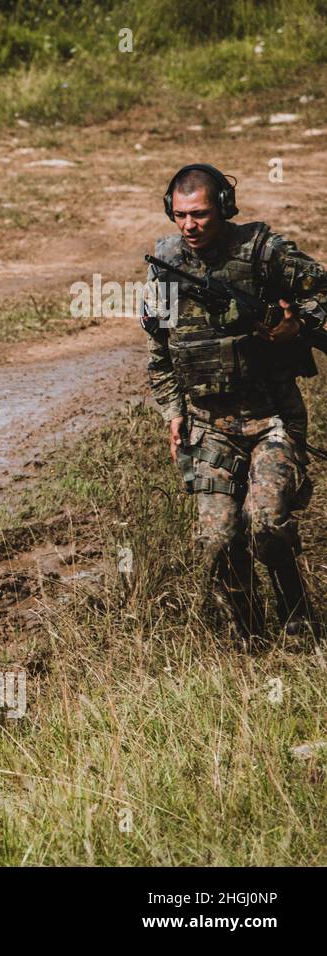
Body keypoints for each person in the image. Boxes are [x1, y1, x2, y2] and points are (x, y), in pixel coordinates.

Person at [143, 163, 327, 642]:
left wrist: (298, 327)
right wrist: (174, 412)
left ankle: (297, 618)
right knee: (219, 539)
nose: (190, 226)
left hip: (272, 420)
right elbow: (160, 354)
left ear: (223, 207)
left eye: (200, 214)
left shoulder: (263, 251)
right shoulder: (164, 264)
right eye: (180, 215)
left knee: (266, 525)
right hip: (208, 424)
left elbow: (321, 290)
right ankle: (249, 637)